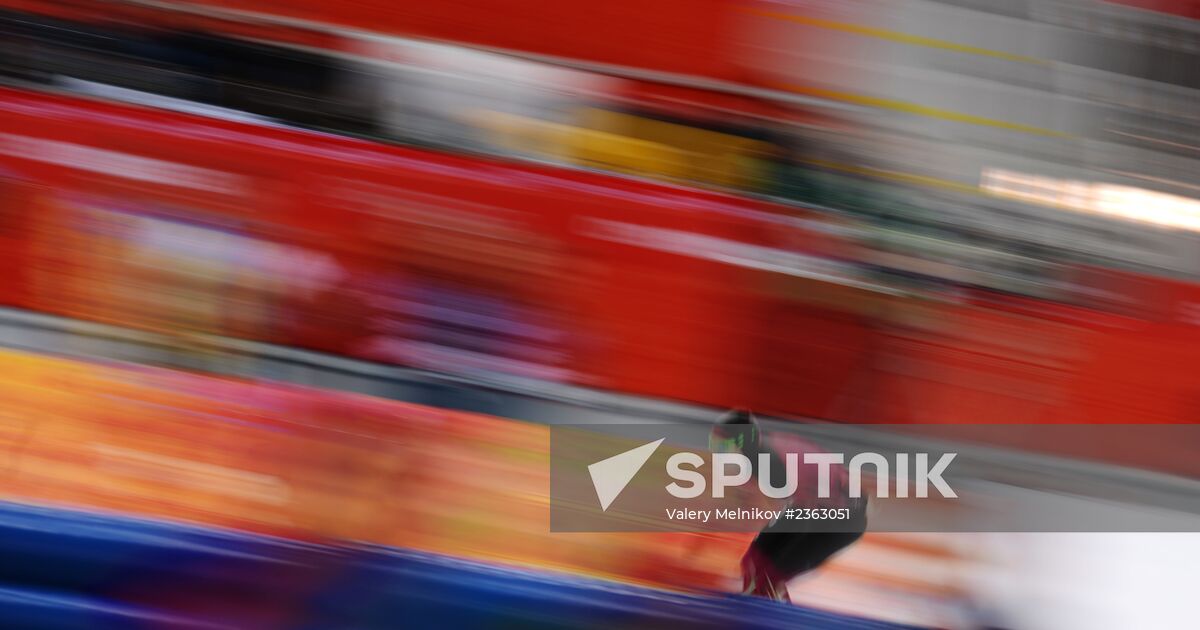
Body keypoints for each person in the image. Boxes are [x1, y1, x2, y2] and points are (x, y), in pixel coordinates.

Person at [709, 409, 867, 602]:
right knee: (753, 562)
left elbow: (806, 521)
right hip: (817, 510)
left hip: (841, 522)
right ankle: (764, 601)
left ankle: (766, 605)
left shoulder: (782, 460)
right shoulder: (757, 456)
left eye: (724, 446)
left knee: (770, 573)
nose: (721, 454)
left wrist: (777, 564)